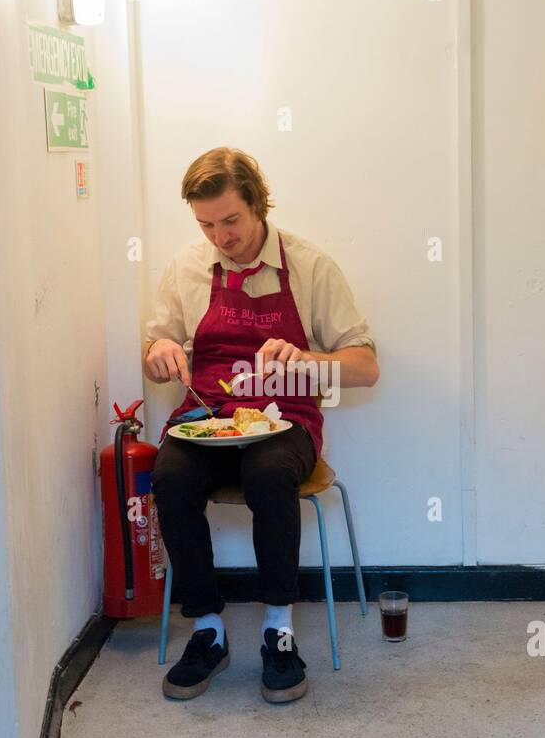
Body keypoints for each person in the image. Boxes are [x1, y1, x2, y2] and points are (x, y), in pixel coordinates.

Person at [144, 147, 379, 704]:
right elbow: (157, 341)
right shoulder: (186, 267)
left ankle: (278, 628)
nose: (221, 238)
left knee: (269, 472)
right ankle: (208, 630)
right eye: (206, 225)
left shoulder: (309, 266)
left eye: (231, 221)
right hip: (206, 415)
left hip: (285, 417)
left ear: (258, 204)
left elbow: (366, 366)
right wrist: (159, 352)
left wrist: (307, 361)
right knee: (171, 475)